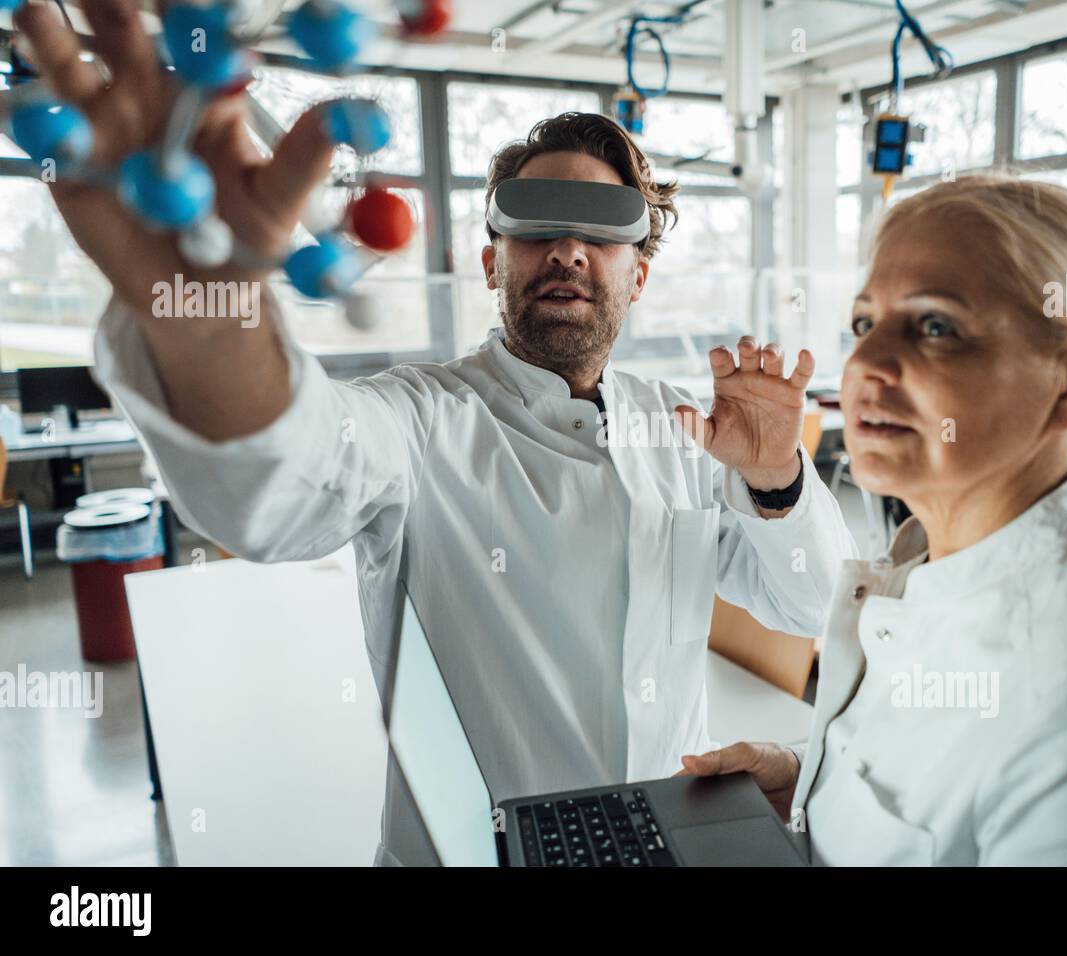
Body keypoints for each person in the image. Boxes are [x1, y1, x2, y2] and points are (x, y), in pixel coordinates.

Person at [13, 1, 855, 865]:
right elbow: (281, 486)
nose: (567, 249)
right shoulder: (421, 419)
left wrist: (778, 481)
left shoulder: (688, 432)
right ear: (492, 260)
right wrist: (208, 316)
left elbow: (807, 602)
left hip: (659, 842)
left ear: (636, 274)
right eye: (536, 224)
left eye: (600, 232)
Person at [680, 174, 1067, 865]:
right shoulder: (931, 568)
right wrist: (809, 782)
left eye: (936, 327)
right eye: (866, 323)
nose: (865, 361)